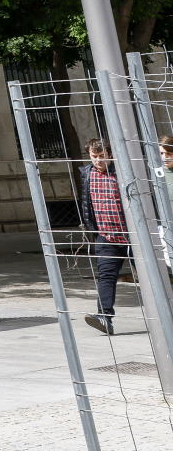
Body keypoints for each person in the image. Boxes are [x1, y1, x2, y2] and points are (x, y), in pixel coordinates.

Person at [80, 139, 129, 335]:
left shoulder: (120, 172)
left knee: (154, 276)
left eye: (102, 156)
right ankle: (104, 317)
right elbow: (87, 204)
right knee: (106, 276)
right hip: (106, 237)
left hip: (132, 236)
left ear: (110, 155)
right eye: (94, 156)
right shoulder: (87, 174)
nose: (98, 160)